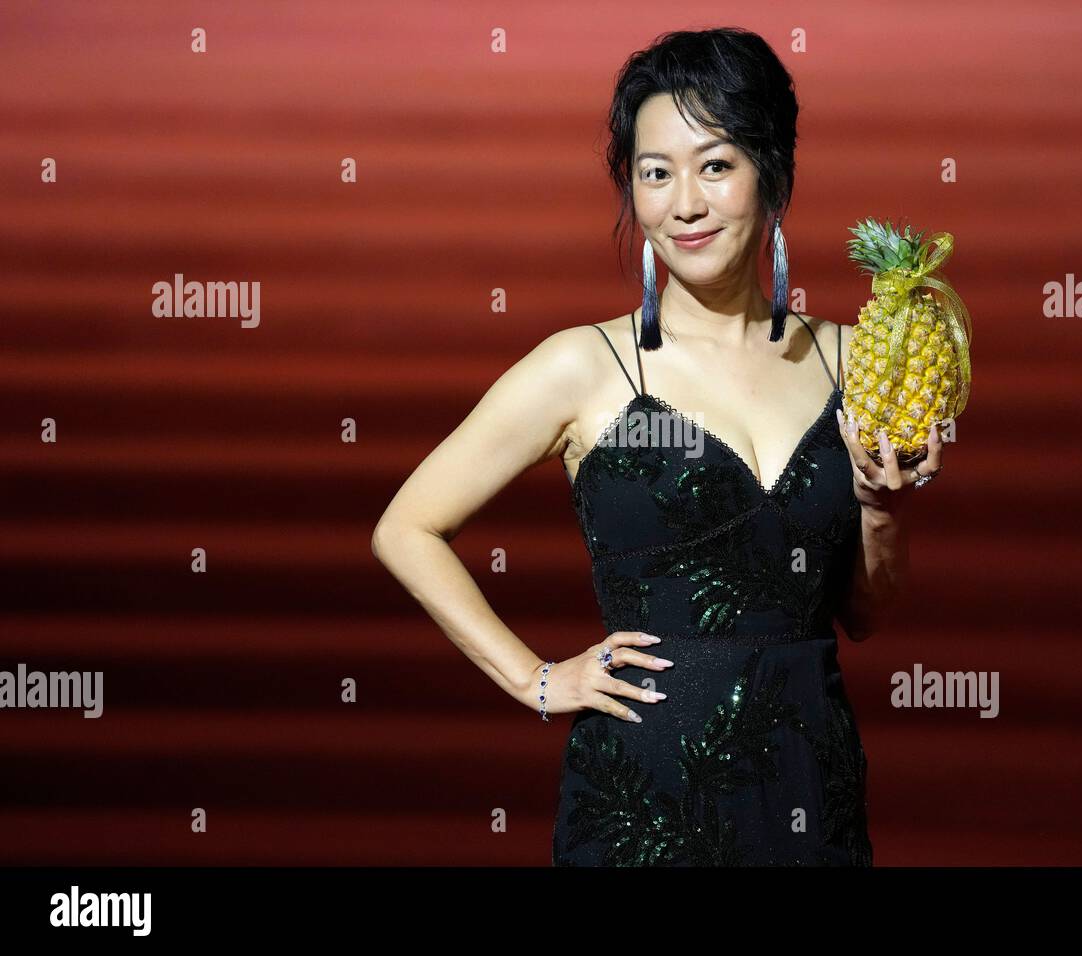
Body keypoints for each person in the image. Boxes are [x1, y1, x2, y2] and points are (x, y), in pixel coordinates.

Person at [371, 27, 944, 866]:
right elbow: (405, 528)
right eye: (654, 173)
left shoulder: (853, 358)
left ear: (773, 174)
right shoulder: (583, 366)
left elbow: (861, 615)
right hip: (643, 803)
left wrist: (881, 509)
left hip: (809, 791)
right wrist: (538, 679)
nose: (684, 204)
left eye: (715, 165)